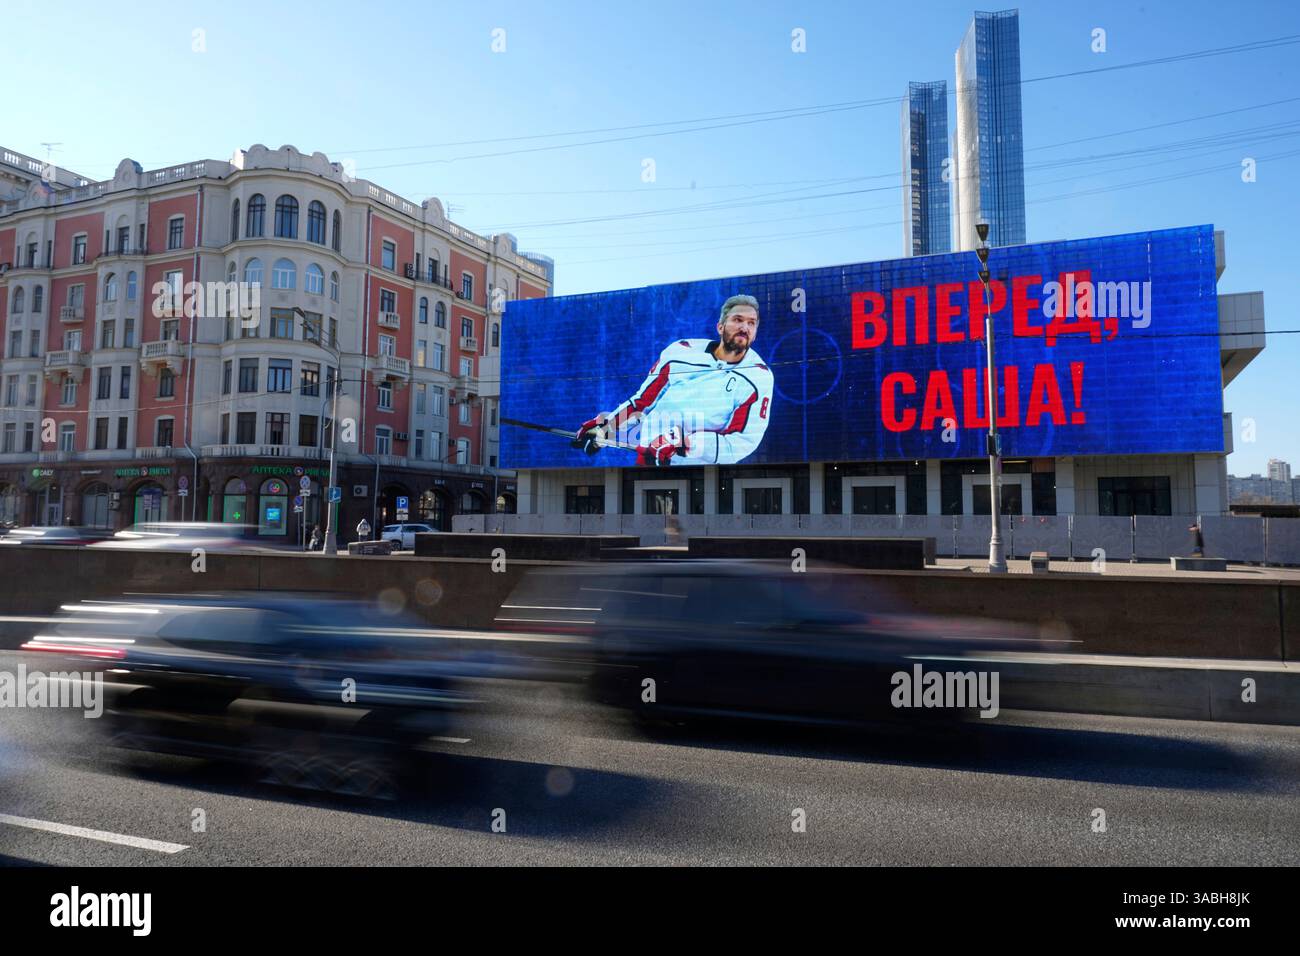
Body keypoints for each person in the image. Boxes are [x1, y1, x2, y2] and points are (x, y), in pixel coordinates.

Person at [574, 294, 774, 467]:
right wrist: (605, 427)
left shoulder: (758, 377)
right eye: (737, 320)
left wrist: (685, 443)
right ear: (720, 326)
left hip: (702, 475)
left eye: (751, 323)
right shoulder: (680, 352)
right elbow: (642, 402)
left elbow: (742, 440)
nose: (744, 327)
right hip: (649, 462)